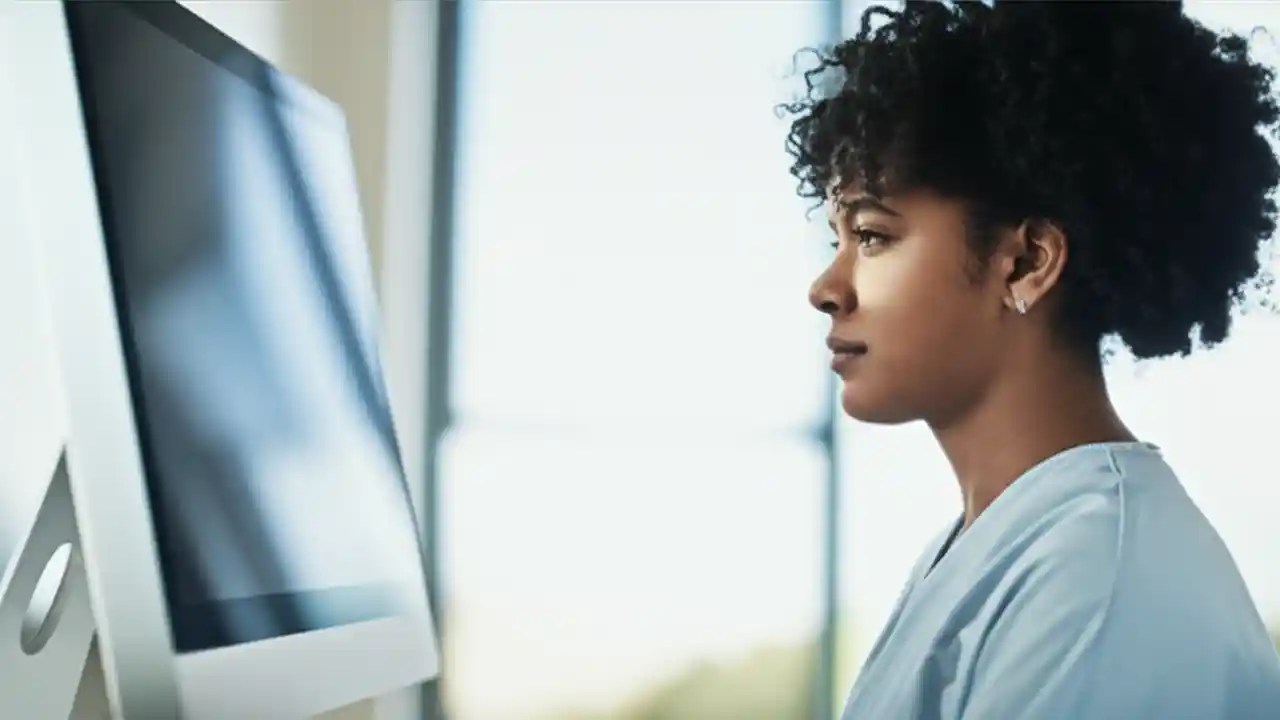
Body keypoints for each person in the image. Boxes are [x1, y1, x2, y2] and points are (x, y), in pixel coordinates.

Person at [784, 1, 1280, 718]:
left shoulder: (1097, 581)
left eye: (873, 236)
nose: (826, 289)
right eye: (840, 239)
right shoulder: (1003, 545)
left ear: (1026, 262)